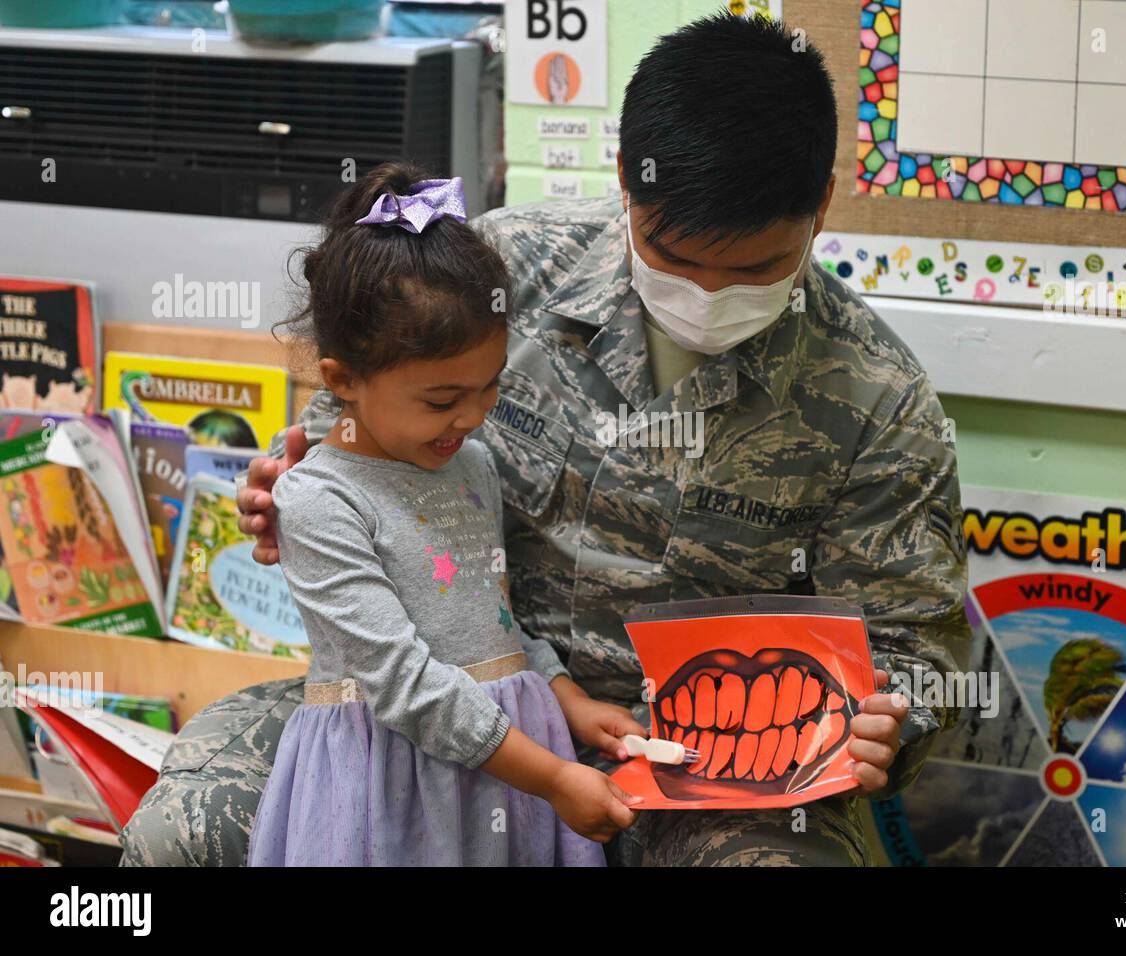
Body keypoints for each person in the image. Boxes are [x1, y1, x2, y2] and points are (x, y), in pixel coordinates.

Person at [121, 12, 970, 868]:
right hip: (429, 697)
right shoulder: (493, 274)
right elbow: (338, 435)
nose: (708, 295)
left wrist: (890, 722)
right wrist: (284, 485)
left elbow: (915, 649)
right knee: (174, 839)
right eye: (672, 256)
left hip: (704, 763)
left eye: (752, 270)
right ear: (626, 182)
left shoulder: (877, 399)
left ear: (821, 204)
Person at [245, 163, 635, 865]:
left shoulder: (473, 466)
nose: (471, 416)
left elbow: (497, 618)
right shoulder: (318, 499)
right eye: (441, 399)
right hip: (397, 784)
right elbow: (401, 685)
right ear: (342, 380)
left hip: (508, 767)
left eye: (489, 388)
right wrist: (552, 778)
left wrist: (565, 696)